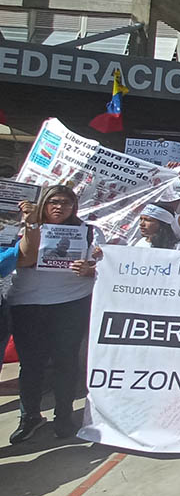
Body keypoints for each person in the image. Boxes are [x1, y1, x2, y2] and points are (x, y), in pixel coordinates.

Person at [8, 187, 97, 442]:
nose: (59, 207)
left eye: (67, 204)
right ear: (44, 203)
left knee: (65, 361)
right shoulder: (22, 227)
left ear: (74, 207)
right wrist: (30, 227)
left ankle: (63, 416)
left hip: (71, 301)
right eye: (54, 202)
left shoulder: (88, 231)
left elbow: (101, 263)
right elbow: (22, 259)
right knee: (32, 364)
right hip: (28, 302)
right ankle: (30, 417)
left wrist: (90, 269)